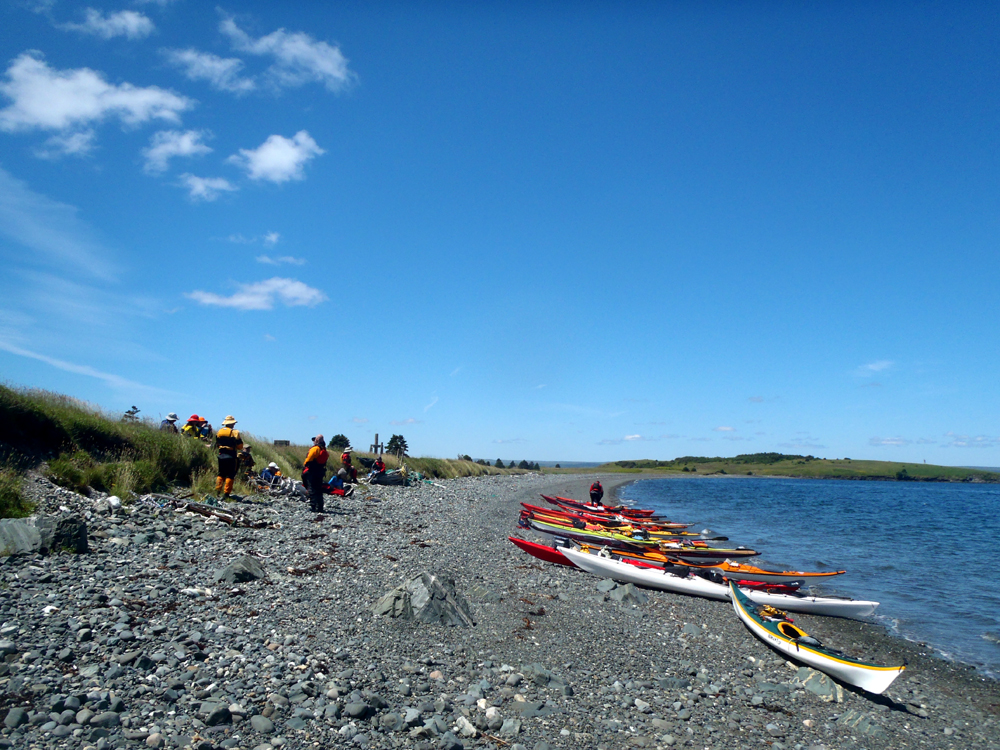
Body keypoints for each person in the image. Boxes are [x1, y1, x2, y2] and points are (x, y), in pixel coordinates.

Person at [214, 415, 243, 499]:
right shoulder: (235, 432)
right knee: (230, 475)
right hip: (231, 456)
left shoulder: (219, 432)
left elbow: (217, 443)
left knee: (221, 474)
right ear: (232, 424)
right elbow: (240, 446)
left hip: (221, 455)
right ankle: (226, 494)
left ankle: (217, 491)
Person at [302, 435, 329, 512]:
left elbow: (308, 459)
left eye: (314, 440)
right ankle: (320, 507)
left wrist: (305, 466)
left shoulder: (315, 449)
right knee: (319, 489)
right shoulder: (324, 450)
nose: (313, 441)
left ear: (317, 440)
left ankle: (313, 506)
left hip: (312, 472)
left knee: (312, 489)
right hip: (320, 472)